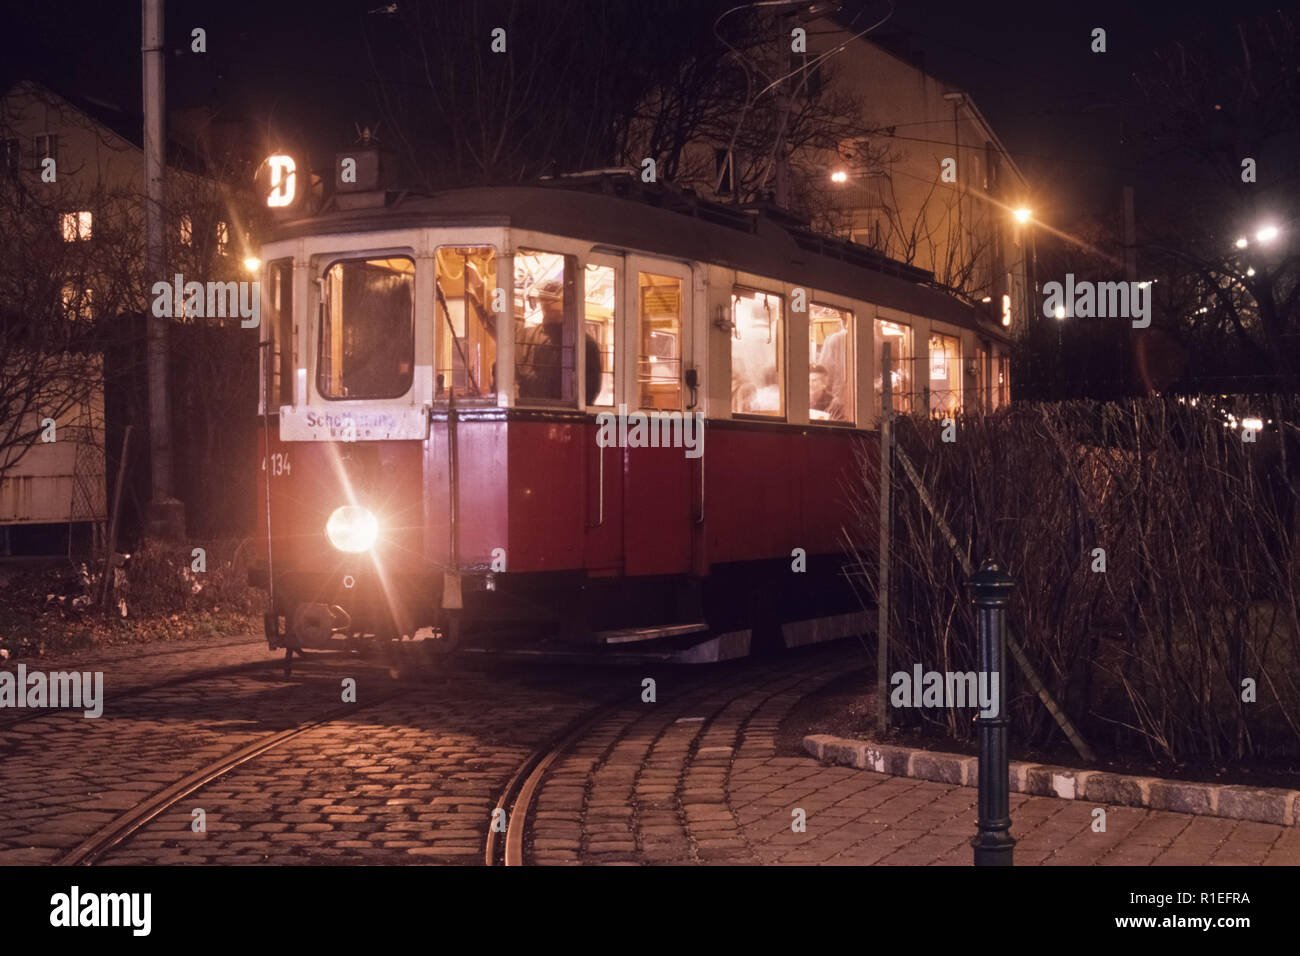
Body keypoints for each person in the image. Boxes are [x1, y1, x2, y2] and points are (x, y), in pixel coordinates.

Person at [516, 296, 602, 403]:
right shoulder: (545, 342)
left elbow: (590, 387)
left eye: (550, 306)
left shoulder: (584, 344)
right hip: (547, 407)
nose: (546, 308)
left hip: (560, 408)